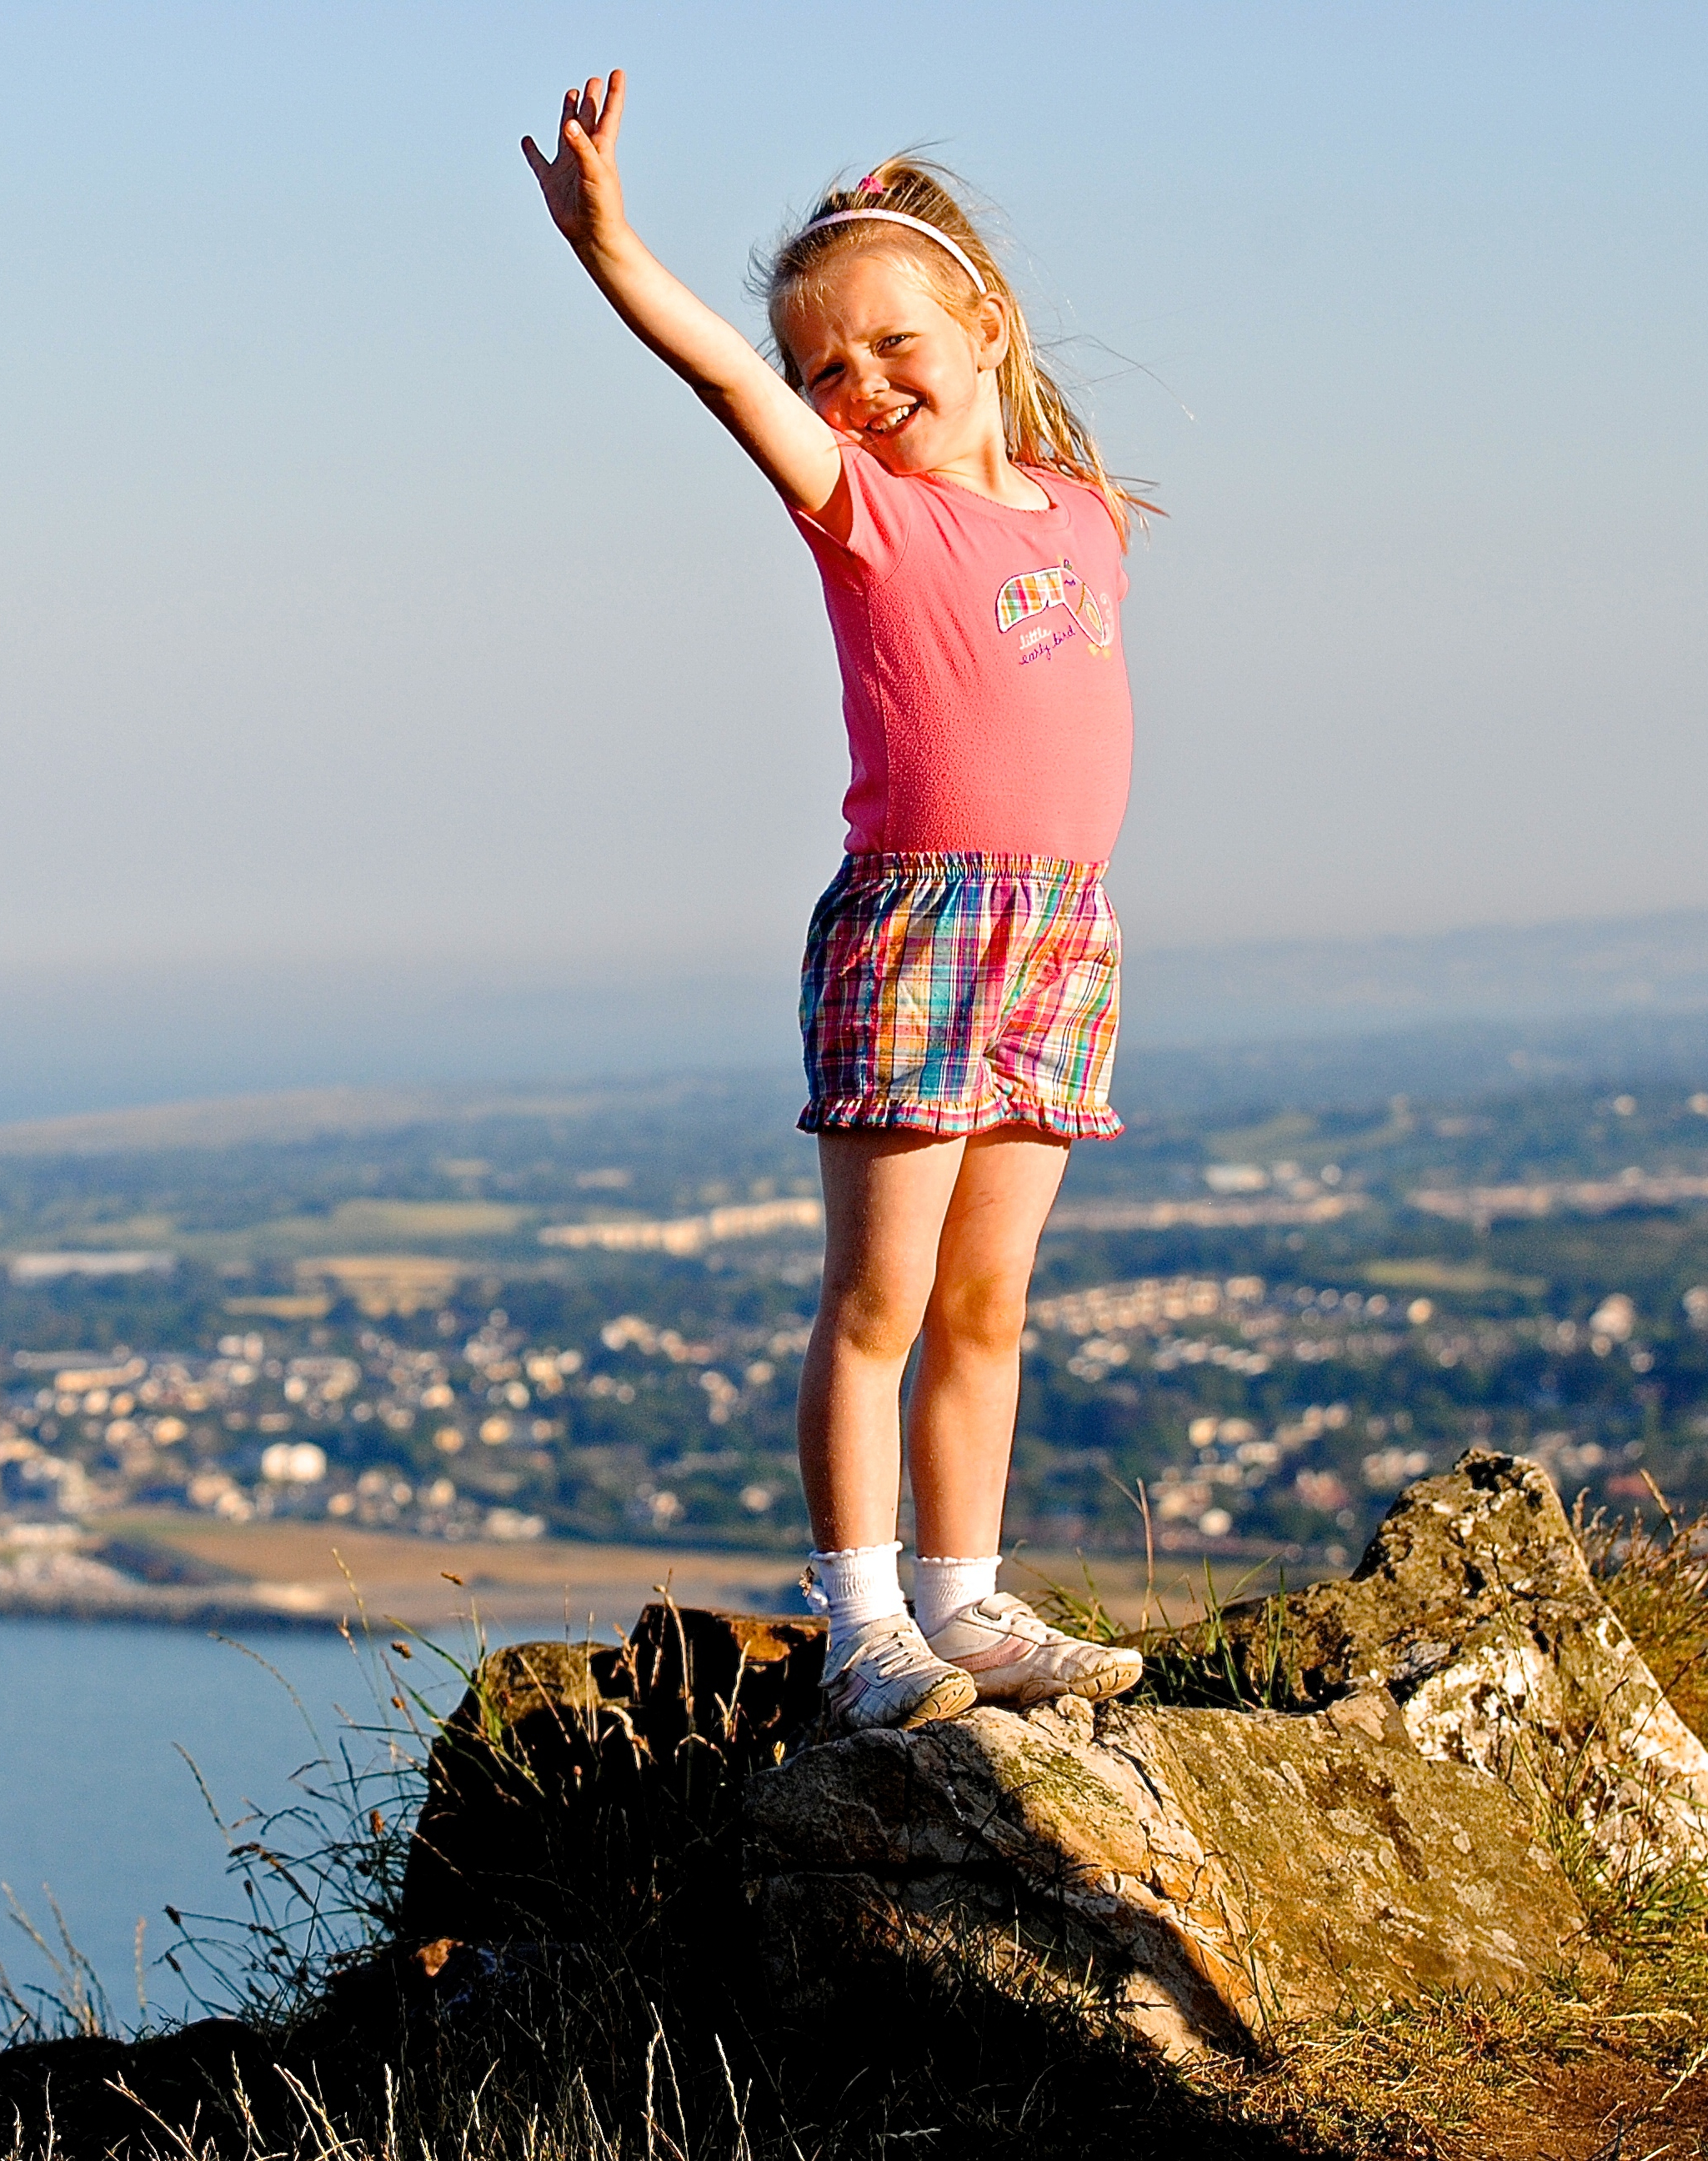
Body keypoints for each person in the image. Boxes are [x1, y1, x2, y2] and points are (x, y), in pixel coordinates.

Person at [523, 72, 1150, 1732]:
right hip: (920, 927)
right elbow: (720, 369)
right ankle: (866, 1626)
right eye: (827, 369)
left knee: (987, 1301)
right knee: (875, 1300)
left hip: (1061, 933)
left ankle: (969, 1600)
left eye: (891, 348)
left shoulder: (1084, 518)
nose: (855, 389)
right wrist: (611, 247)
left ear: (986, 326)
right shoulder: (861, 514)